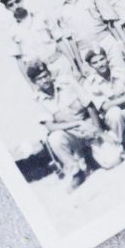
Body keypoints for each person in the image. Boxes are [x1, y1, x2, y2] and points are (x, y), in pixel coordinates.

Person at [23, 57, 100, 189]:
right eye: (39, 79)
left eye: (45, 75)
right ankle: (77, 172)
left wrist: (98, 130)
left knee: (112, 160)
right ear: (34, 82)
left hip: (88, 126)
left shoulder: (67, 82)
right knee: (54, 138)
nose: (44, 80)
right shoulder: (38, 100)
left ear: (49, 73)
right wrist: (75, 124)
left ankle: (91, 154)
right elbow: (50, 126)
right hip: (72, 133)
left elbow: (89, 105)